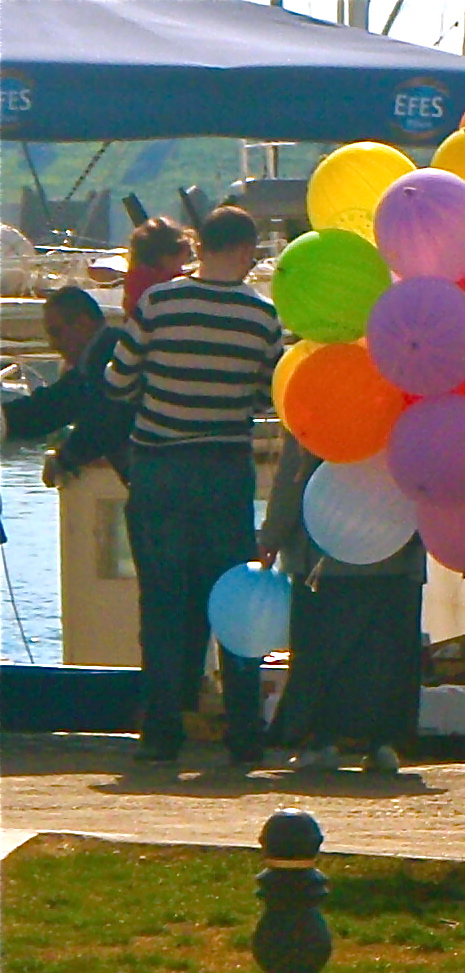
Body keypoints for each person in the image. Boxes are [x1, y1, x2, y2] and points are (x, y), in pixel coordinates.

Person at [107, 206, 283, 767]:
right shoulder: (262, 316)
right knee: (231, 602)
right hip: (225, 472)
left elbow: (118, 381)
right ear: (244, 250)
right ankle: (244, 735)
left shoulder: (159, 303)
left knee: (162, 602)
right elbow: (266, 397)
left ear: (200, 246)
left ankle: (161, 731)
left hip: (160, 469)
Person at [257, 434, 426, 773]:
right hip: (395, 550)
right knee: (385, 657)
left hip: (326, 555)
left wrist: (272, 535)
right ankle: (382, 742)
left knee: (322, 655)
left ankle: (321, 740)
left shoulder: (316, 400)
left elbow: (294, 475)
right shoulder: (409, 400)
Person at [1, 287, 133, 488]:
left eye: (56, 333)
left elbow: (103, 419)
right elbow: (51, 407)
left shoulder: (108, 359)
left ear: (83, 324)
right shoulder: (102, 356)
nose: (53, 344)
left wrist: (65, 458)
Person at [122, 217, 193, 318]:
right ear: (166, 257)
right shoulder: (167, 286)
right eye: (180, 264)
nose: (181, 270)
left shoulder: (133, 278)